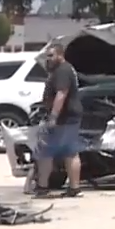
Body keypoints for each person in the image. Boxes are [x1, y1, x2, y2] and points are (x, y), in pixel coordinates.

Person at [34, 43, 84, 198]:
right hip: (70, 116)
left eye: (51, 55)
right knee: (70, 152)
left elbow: (61, 94)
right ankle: (74, 188)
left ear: (60, 55)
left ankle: (43, 187)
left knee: (46, 152)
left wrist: (53, 117)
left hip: (64, 117)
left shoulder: (62, 71)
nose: (48, 59)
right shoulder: (65, 69)